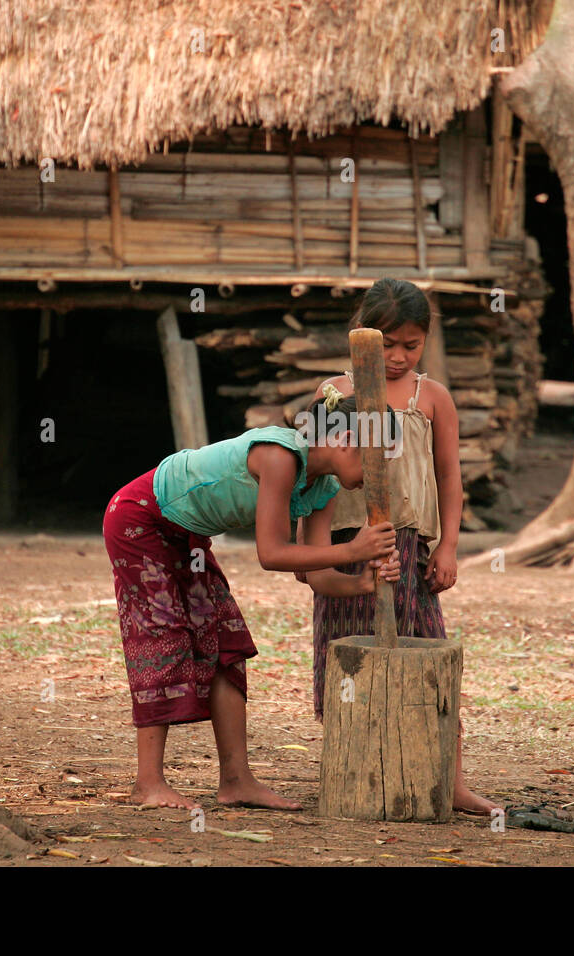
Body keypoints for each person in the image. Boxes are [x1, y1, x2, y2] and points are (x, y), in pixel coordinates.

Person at [103, 422, 398, 811]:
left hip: (185, 536)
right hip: (139, 520)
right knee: (163, 641)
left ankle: (237, 782)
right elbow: (271, 554)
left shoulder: (323, 488)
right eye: (378, 463)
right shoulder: (280, 456)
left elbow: (316, 574)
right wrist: (353, 551)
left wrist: (362, 584)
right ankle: (149, 784)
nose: (381, 477)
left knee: (226, 644)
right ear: (345, 440)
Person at [297, 277, 499, 815]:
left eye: (411, 345)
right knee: (350, 659)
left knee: (429, 654)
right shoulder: (334, 393)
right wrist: (319, 553)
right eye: (386, 344)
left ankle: (449, 780)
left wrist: (449, 547)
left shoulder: (431, 398)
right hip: (346, 546)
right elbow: (311, 474)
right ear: (360, 336)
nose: (398, 356)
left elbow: (450, 477)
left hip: (409, 549)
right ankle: (358, 769)